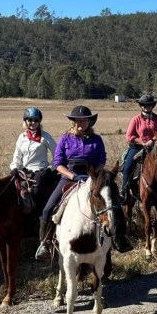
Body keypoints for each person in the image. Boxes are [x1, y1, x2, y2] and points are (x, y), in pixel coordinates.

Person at [36, 105, 132, 259]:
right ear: (73, 122)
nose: (80, 123)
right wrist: (72, 176)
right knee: (48, 208)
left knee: (114, 203)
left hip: (93, 177)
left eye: (84, 120)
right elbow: (58, 163)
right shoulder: (65, 138)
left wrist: (94, 177)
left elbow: (101, 161)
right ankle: (45, 244)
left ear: (89, 122)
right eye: (77, 120)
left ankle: (121, 238)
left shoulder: (97, 140)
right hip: (69, 177)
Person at [9, 106, 56, 211]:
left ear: (39, 121)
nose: (32, 123)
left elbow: (58, 155)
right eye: (30, 120)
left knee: (36, 192)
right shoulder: (22, 137)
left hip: (41, 171)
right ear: (25, 121)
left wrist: (50, 169)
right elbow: (17, 156)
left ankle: (39, 215)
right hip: (25, 171)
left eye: (36, 120)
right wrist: (14, 168)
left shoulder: (45, 137)